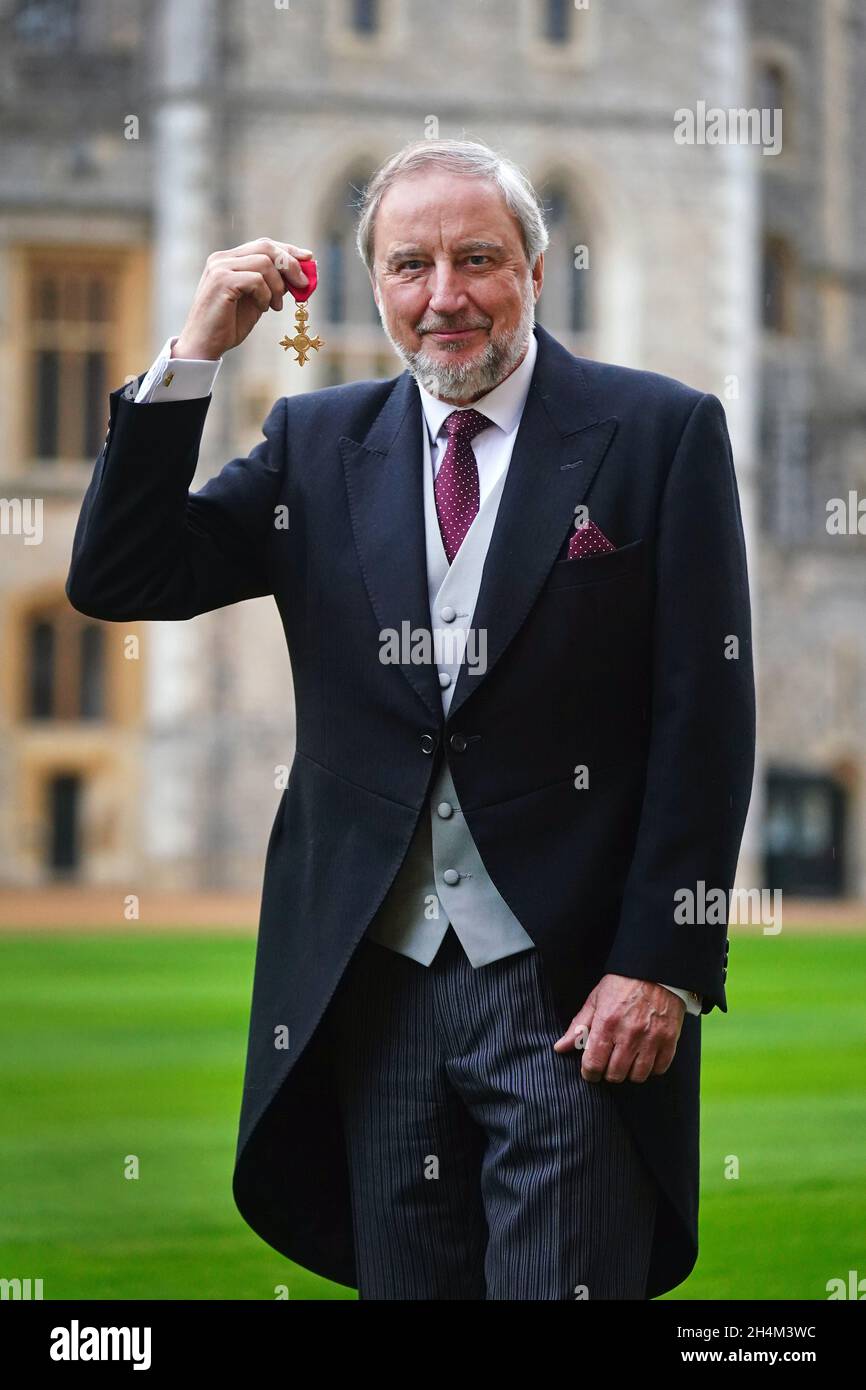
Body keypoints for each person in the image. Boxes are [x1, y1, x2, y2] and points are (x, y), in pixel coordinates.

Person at [66, 138, 755, 1300]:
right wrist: (192, 356)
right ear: (371, 283)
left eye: (477, 259)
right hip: (370, 991)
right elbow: (121, 576)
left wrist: (660, 964)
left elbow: (706, 710)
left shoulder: (658, 432)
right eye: (408, 266)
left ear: (536, 272)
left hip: (570, 987)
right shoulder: (312, 441)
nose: (444, 296)